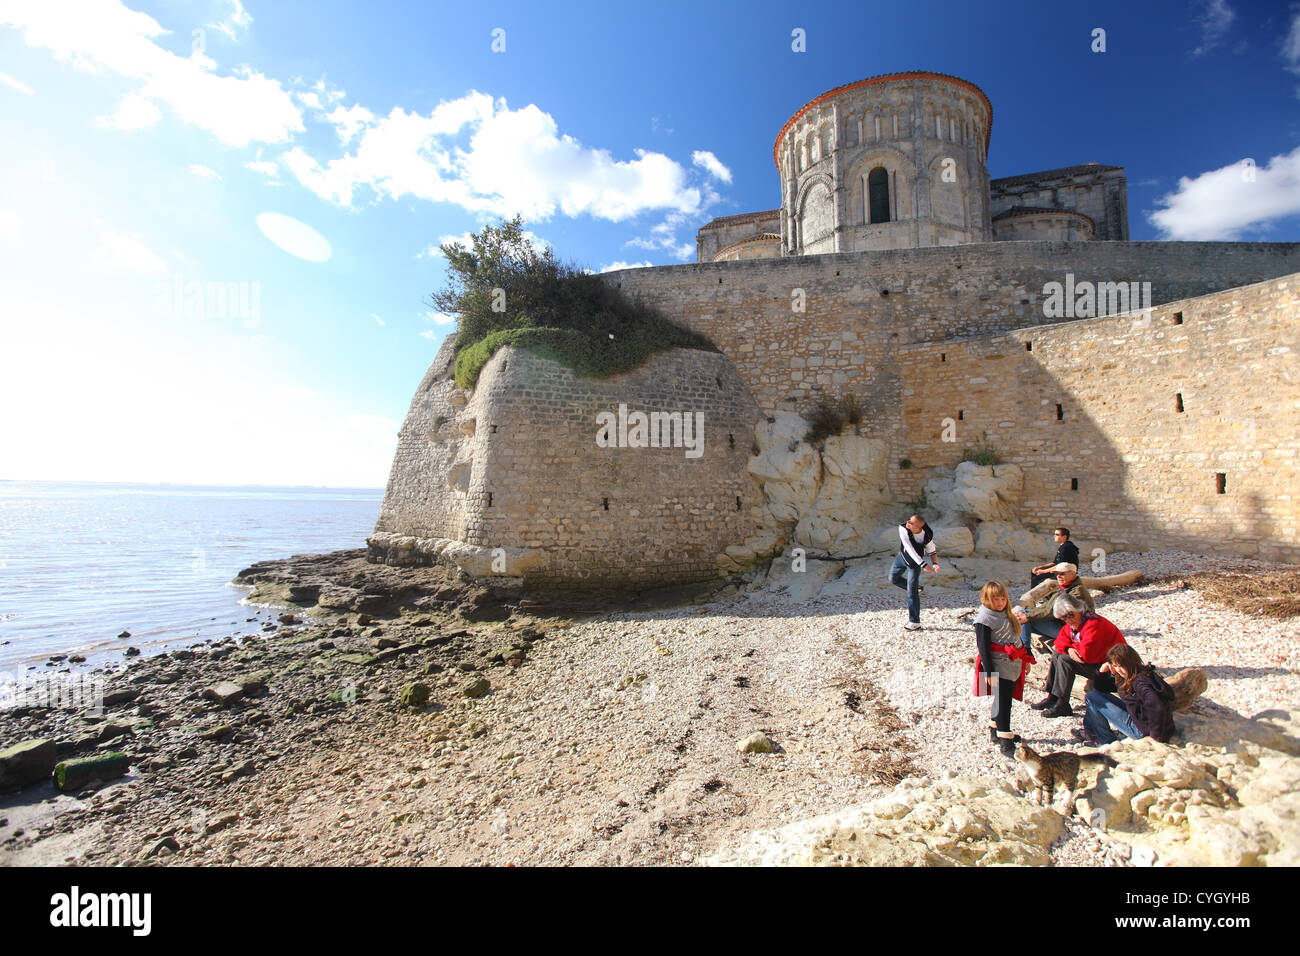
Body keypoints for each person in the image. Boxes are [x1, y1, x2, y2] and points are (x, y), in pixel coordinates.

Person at [1031, 593, 1125, 718]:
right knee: (1058, 654)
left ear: (1078, 610)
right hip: (1098, 662)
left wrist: (1070, 647)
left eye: (1070, 616)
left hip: (1112, 671)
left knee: (1065, 660)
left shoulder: (1093, 624)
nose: (1069, 620)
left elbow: (1086, 655)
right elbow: (1059, 641)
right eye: (1064, 618)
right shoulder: (1076, 623)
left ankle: (1062, 704)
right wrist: (1069, 648)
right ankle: (1053, 697)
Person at [972, 581, 1034, 757]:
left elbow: (1017, 638)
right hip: (997, 664)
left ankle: (995, 730)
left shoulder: (1006, 615)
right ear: (987, 599)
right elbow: (983, 647)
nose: (1000, 603)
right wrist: (990, 672)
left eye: (1002, 599)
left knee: (1002, 698)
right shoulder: (984, 620)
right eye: (995, 599)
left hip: (1012, 662)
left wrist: (1026, 658)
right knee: (1004, 702)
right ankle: (1005, 741)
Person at [1080, 644, 1176, 745]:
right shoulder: (1130, 675)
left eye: (1120, 666)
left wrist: (1155, 738)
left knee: (1091, 697)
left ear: (1129, 663)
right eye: (1115, 666)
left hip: (1141, 730)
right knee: (1094, 695)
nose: (1118, 670)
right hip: (1139, 718)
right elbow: (1101, 688)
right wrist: (1102, 671)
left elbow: (1156, 706)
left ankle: (1105, 740)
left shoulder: (1141, 682)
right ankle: (1091, 731)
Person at [1013, 562, 1093, 657]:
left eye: (1062, 574)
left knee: (1023, 618)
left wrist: (1027, 616)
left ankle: (1025, 652)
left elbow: (1053, 611)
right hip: (1064, 627)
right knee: (1021, 618)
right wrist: (1026, 615)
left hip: (1072, 632)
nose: (1058, 576)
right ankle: (1023, 650)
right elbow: (1046, 607)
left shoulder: (1077, 592)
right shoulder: (1066, 588)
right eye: (1057, 574)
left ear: (1073, 574)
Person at [888, 514, 940, 630]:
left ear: (918, 528)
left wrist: (935, 564)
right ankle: (916, 588)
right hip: (902, 557)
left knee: (911, 593)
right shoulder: (903, 528)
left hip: (914, 565)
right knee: (893, 578)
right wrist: (924, 565)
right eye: (909, 520)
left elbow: (931, 550)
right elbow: (909, 548)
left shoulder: (926, 535)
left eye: (911, 523)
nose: (908, 523)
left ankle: (914, 622)